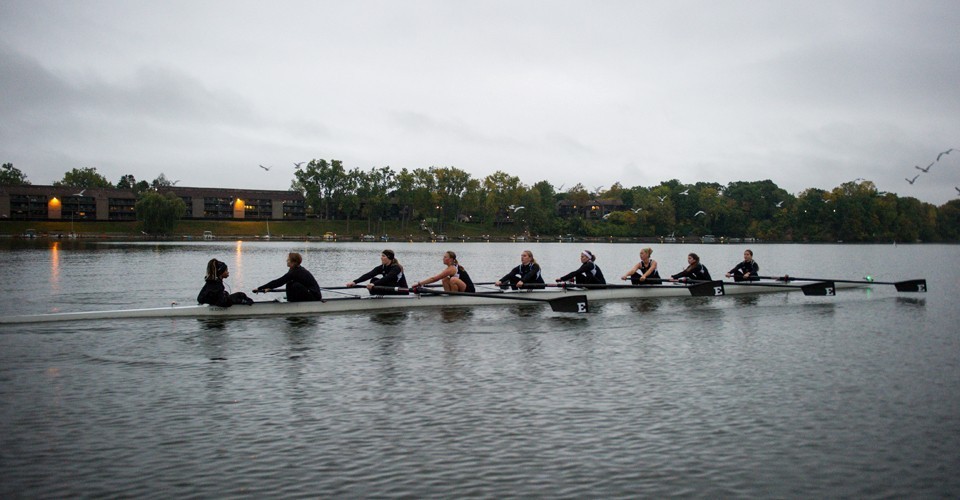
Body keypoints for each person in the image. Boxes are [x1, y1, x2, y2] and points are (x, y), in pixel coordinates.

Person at [253, 252, 323, 302]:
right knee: (290, 283)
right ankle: (291, 301)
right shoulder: (295, 269)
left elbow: (279, 282)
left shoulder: (296, 272)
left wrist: (260, 288)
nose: (286, 261)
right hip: (310, 293)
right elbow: (281, 281)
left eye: (288, 260)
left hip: (315, 296)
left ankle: (292, 304)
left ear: (293, 262)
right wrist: (268, 287)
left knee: (295, 285)